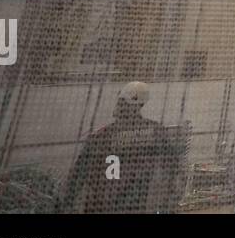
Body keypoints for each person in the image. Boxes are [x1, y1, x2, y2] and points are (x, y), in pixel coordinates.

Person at [63, 82, 186, 213]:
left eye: (120, 101)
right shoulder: (156, 131)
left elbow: (79, 173)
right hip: (136, 205)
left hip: (102, 205)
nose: (118, 105)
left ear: (122, 103)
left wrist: (67, 203)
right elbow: (173, 165)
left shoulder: (103, 135)